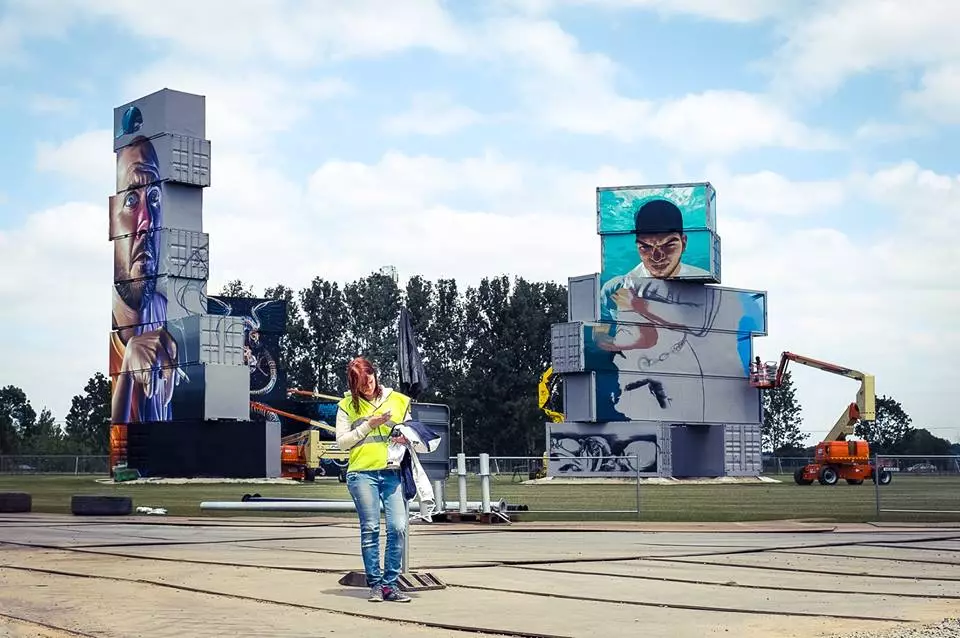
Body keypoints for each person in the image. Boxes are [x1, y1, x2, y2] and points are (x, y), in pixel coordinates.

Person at [336, 356, 414, 603]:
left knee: (398, 527)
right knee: (370, 529)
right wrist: (368, 425)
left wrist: (407, 438)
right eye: (360, 384)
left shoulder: (399, 401)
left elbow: (414, 432)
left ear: (374, 374)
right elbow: (342, 442)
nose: (366, 386)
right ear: (353, 385)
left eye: (368, 379)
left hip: (392, 473)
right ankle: (376, 585)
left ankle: (391, 585)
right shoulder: (347, 405)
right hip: (361, 473)